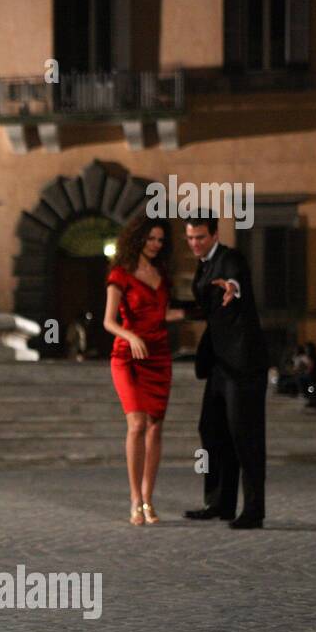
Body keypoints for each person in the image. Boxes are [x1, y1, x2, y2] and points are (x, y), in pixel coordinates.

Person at [182, 215, 268, 530]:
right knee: (212, 428)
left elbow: (235, 279)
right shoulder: (203, 264)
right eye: (190, 238)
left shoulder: (230, 258)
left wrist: (232, 287)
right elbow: (207, 306)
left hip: (244, 363)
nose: (194, 244)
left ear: (215, 234)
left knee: (246, 435)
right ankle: (220, 502)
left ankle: (254, 510)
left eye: (200, 237)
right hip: (220, 362)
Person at [103, 216, 184, 526]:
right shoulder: (120, 275)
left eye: (160, 240)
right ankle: (135, 498)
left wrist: (210, 308)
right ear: (137, 238)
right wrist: (131, 335)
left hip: (159, 357)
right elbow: (108, 321)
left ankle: (149, 499)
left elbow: (163, 313)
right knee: (136, 423)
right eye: (151, 238)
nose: (156, 244)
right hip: (128, 357)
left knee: (155, 427)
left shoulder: (162, 274)